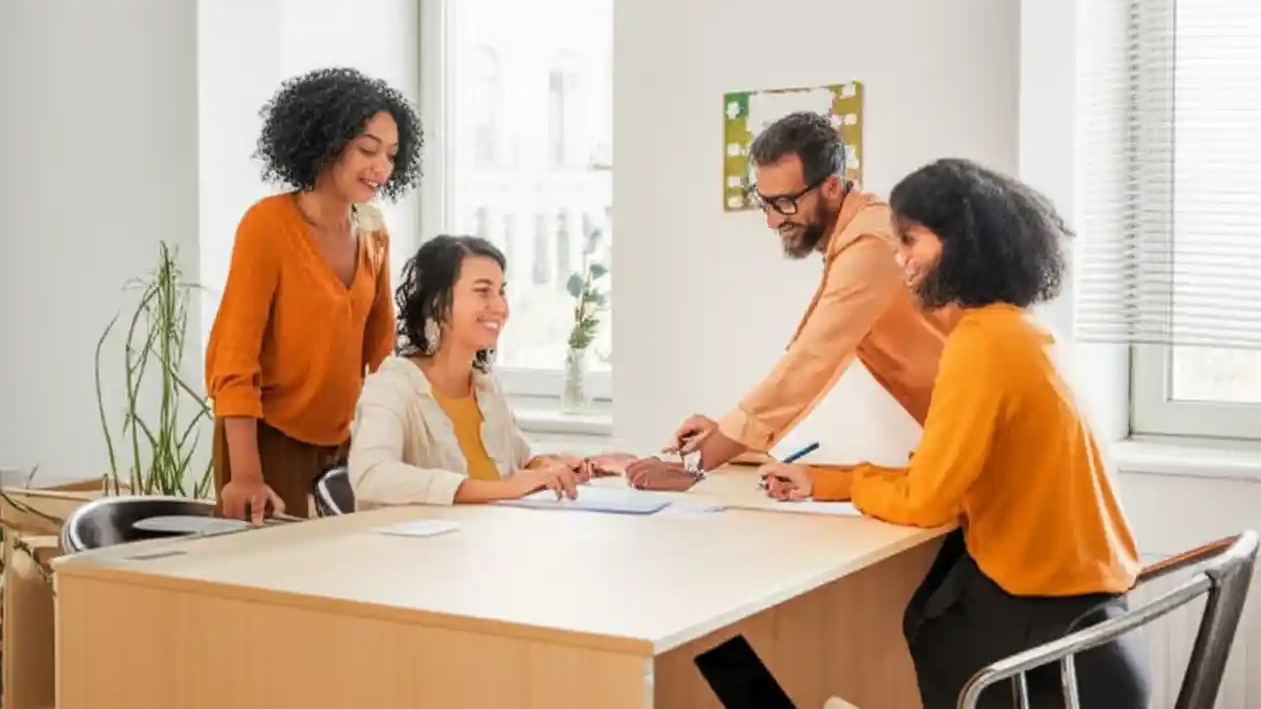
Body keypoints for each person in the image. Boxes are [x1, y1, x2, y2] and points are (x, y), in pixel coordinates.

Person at [758, 158, 1150, 708]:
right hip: (1096, 627)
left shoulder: (979, 345)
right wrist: (825, 481)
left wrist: (844, 484)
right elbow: (946, 477)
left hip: (1049, 642)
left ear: (960, 243)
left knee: (929, 622)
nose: (900, 259)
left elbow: (927, 500)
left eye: (911, 241)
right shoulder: (1026, 332)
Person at [628, 111, 957, 490]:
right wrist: (727, 436)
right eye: (764, 202)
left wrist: (697, 462)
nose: (772, 221)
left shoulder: (871, 244)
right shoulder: (857, 235)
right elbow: (810, 360)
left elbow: (811, 361)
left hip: (997, 455)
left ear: (832, 187)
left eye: (784, 203)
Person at [205, 67, 423, 524]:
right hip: (266, 439)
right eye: (367, 149)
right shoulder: (267, 226)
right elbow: (234, 357)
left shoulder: (373, 233)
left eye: (391, 154)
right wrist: (245, 473)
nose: (381, 167)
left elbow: (383, 354)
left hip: (344, 443)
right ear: (326, 142)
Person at [347, 235, 635, 506]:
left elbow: (521, 461)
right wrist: (506, 488)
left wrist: (557, 466)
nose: (500, 307)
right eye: (483, 291)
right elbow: (372, 476)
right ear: (437, 304)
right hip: (414, 555)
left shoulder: (485, 388)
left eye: (501, 291)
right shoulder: (392, 387)